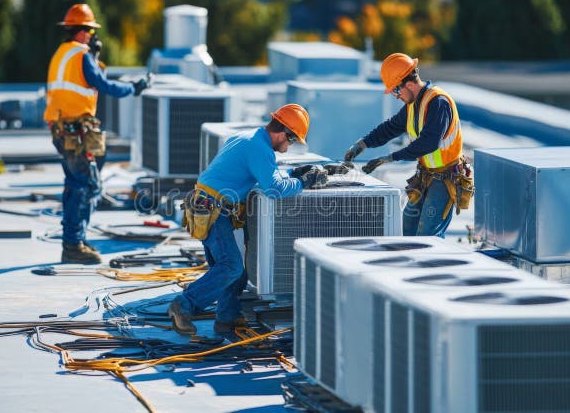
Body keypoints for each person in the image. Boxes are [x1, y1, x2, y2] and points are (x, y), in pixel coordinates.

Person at [168, 104, 327, 335]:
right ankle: (183, 305)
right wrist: (304, 183)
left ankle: (227, 319)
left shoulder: (249, 138)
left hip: (206, 206)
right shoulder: (259, 148)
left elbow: (260, 176)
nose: (289, 146)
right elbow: (273, 189)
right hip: (214, 210)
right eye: (291, 141)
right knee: (231, 267)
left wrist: (294, 174)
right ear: (283, 133)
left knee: (231, 270)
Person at [43, 4, 149, 264]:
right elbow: (102, 85)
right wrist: (133, 88)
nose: (91, 36)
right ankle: (73, 245)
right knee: (87, 186)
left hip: (63, 130)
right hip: (75, 132)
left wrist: (94, 59)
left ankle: (75, 240)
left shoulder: (62, 53)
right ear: (82, 31)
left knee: (75, 184)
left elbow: (84, 83)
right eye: (90, 31)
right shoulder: (81, 54)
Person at [344, 52, 466, 238]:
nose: (395, 96)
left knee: (427, 237)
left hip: (445, 179)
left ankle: (428, 266)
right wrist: (362, 144)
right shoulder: (413, 105)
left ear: (408, 84)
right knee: (406, 230)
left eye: (395, 90)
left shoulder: (438, 103)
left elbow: (428, 143)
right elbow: (391, 127)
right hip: (426, 176)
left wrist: (390, 157)